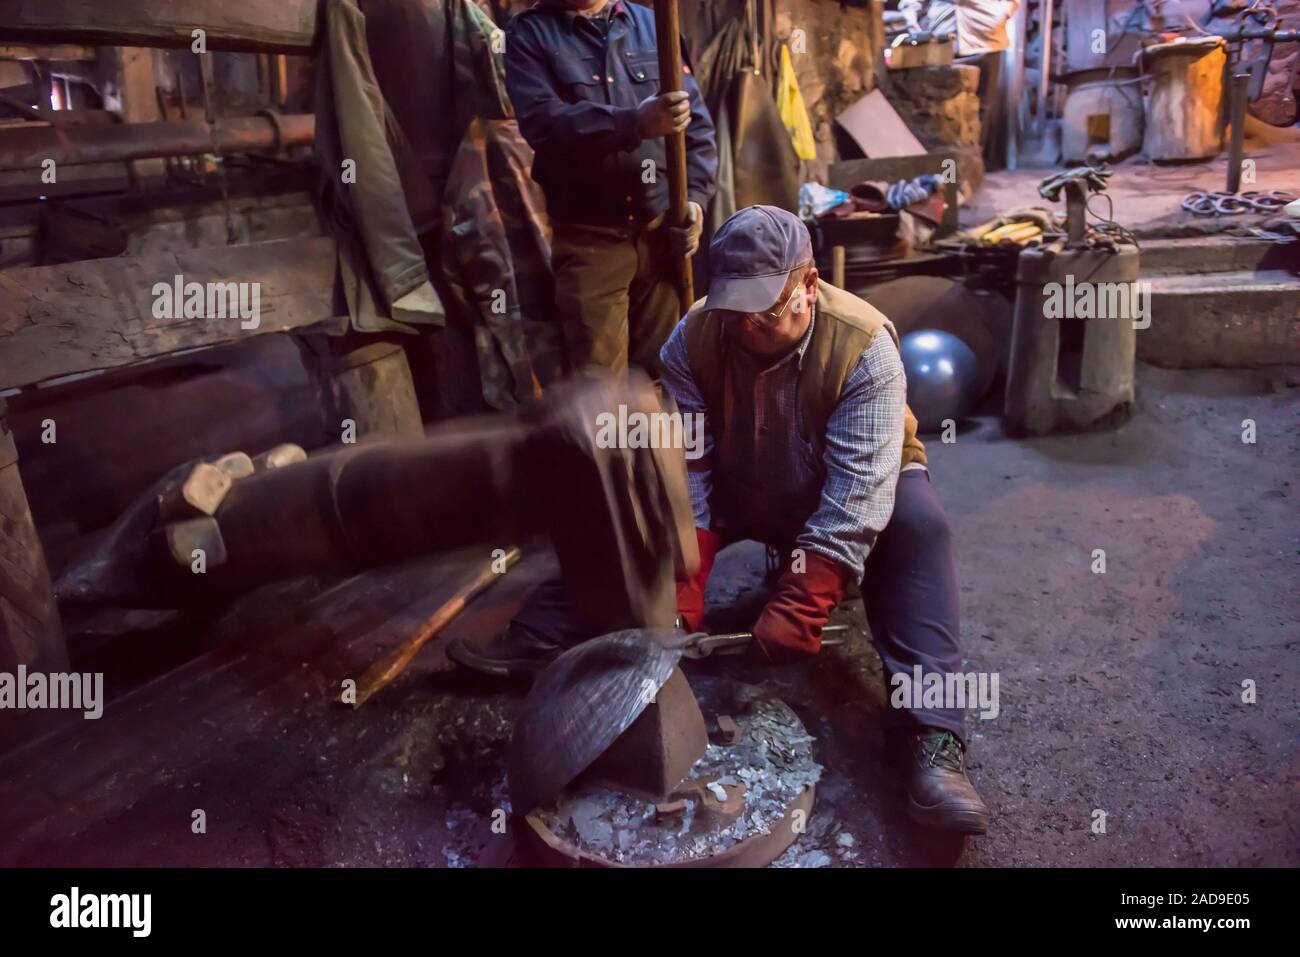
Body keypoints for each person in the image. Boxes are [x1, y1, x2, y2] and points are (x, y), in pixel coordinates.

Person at [658, 204, 990, 834]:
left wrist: (807, 594)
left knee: (918, 528)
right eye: (733, 307)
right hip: (742, 480)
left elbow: (857, 493)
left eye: (766, 308)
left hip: (837, 485)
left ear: (809, 284)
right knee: (645, 508)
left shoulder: (865, 346)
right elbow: (691, 469)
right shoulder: (693, 338)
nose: (746, 324)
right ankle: (579, 640)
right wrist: (687, 566)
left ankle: (932, 737)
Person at [504, 0, 718, 375]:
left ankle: (661, 436)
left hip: (661, 235)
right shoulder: (528, 34)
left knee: (668, 376)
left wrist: (695, 203)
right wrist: (633, 123)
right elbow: (545, 124)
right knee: (601, 386)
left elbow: (696, 130)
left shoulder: (654, 26)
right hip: (591, 242)